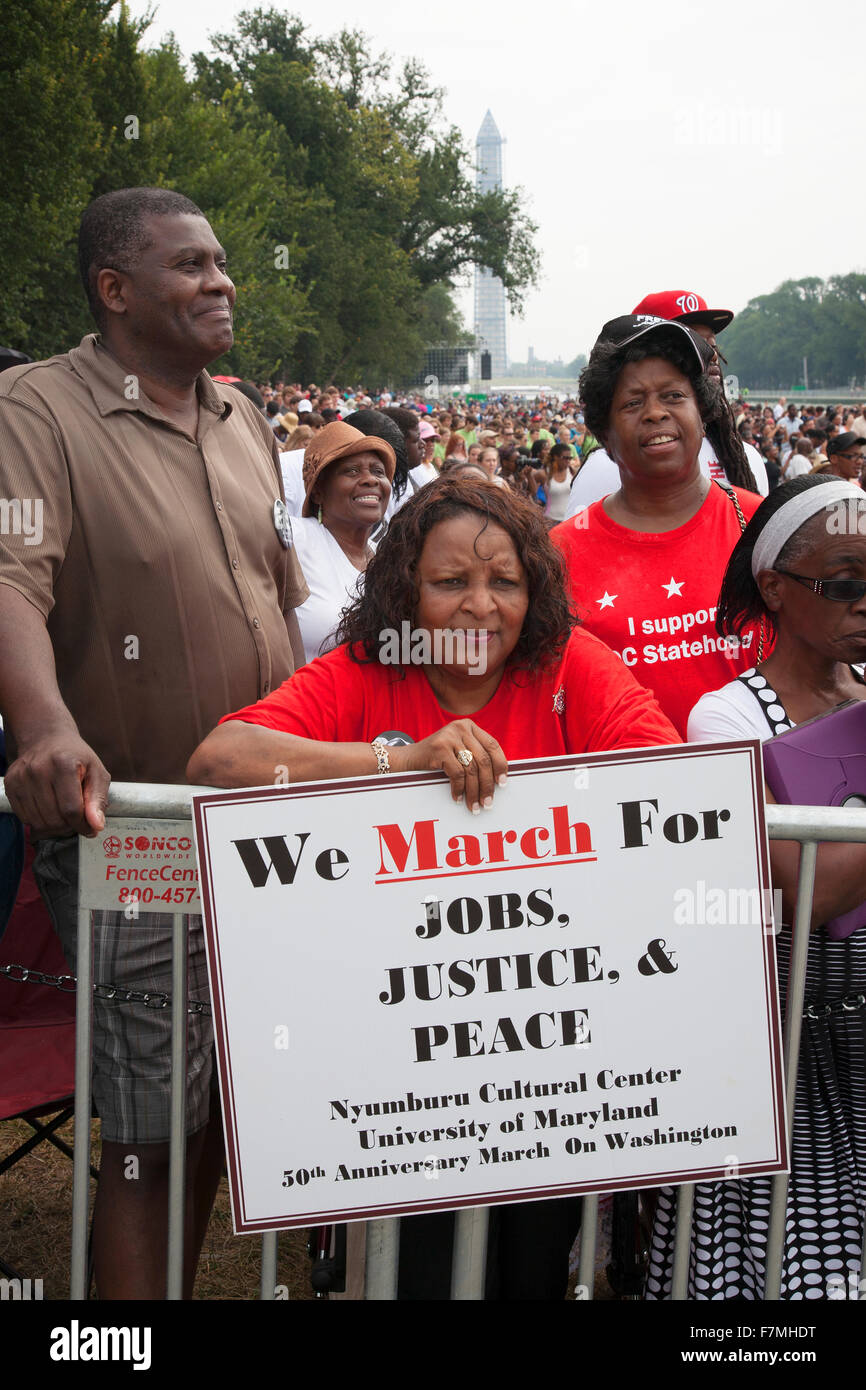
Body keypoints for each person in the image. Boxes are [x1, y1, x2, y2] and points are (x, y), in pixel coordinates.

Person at [187, 476, 680, 1300]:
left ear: (537, 589)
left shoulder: (569, 664)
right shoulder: (361, 673)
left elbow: (670, 777)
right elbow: (219, 761)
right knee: (408, 1268)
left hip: (547, 1072)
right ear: (404, 592)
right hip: (397, 1071)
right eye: (451, 582)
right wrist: (400, 761)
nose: (479, 607)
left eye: (505, 582)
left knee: (527, 1265)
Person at [0, 187, 309, 1298]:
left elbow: (287, 605)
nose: (221, 280)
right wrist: (41, 729)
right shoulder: (33, 410)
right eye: (190, 266)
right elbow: (9, 576)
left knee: (215, 1121)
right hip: (136, 833)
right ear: (114, 289)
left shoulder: (245, 421)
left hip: (269, 831)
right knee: (144, 1138)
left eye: (224, 260)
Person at [647, 475, 866, 1299]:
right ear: (775, 587)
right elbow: (806, 893)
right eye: (844, 583)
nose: (864, 603)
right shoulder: (727, 720)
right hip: (786, 1052)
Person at [553, 315, 764, 736]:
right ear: (604, 434)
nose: (655, 413)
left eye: (673, 396)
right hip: (621, 795)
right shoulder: (556, 553)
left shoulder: (763, 526)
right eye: (632, 403)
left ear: (702, 415)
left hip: (763, 791)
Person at [564, 291, 768, 516]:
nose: (711, 356)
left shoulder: (747, 458)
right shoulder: (604, 468)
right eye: (694, 345)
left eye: (711, 344)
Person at [288, 422, 394, 663]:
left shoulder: (388, 562)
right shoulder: (296, 538)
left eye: (378, 471)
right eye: (352, 471)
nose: (370, 480)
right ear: (318, 492)